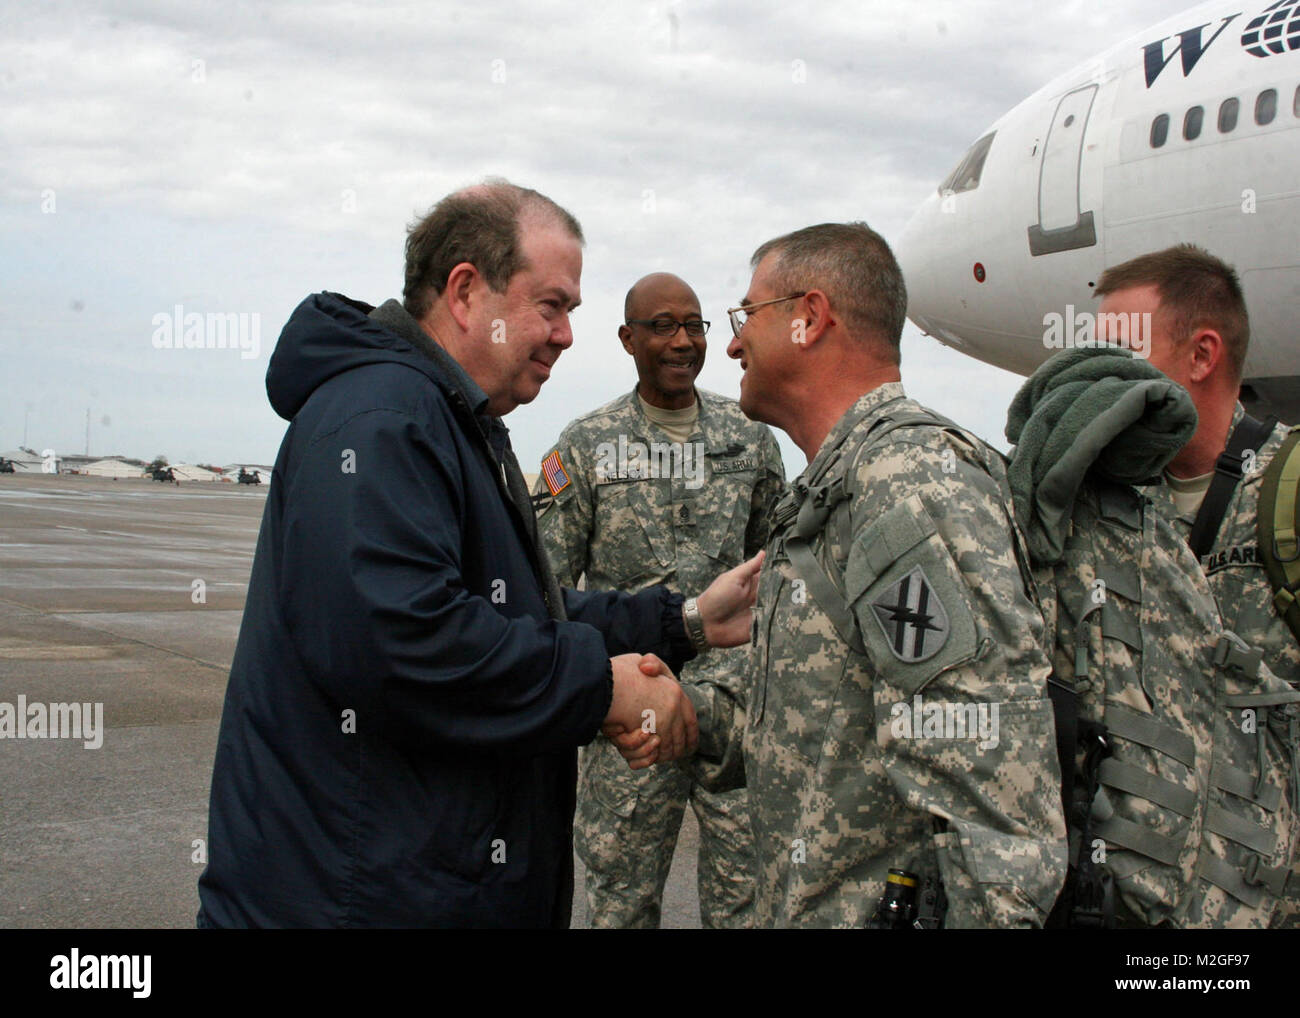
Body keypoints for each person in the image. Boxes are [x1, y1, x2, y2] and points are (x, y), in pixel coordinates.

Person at [196, 179, 761, 929]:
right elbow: (402, 643)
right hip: (359, 904)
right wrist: (602, 687)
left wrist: (683, 620)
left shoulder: (453, 420)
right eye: (551, 305)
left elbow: (510, 608)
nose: (565, 335)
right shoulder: (379, 421)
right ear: (466, 292)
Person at [622, 222, 1067, 927]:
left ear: (811, 318)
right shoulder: (832, 492)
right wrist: (680, 709)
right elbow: (815, 720)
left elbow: (993, 793)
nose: (731, 344)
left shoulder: (910, 483)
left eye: (746, 317)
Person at [534, 272, 785, 928]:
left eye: (696, 325)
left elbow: (778, 575)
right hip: (631, 715)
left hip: (735, 719)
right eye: (663, 326)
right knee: (622, 904)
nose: (683, 340)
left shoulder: (751, 439)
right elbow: (547, 593)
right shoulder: (587, 445)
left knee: (750, 906)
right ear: (627, 338)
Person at [1094, 244, 1300, 926]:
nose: (1096, 382)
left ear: (1202, 356)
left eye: (1119, 355)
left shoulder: (1285, 492)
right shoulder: (1106, 511)